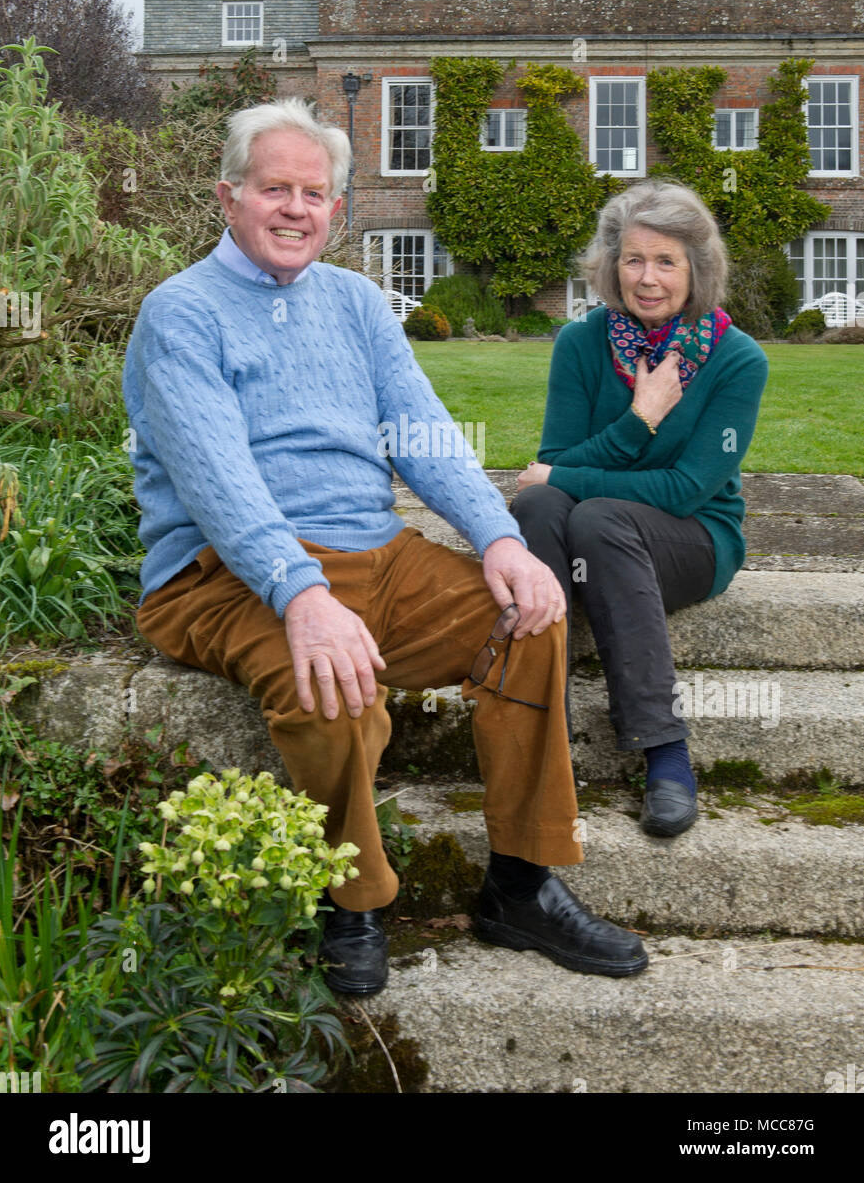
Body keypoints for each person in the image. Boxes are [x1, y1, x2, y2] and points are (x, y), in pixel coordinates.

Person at [123, 98, 648, 997]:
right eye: (274, 189)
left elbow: (421, 429)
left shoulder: (357, 303)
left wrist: (497, 537)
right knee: (325, 686)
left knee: (526, 620)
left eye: (315, 193)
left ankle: (519, 884)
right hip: (221, 573)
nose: (295, 209)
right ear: (228, 197)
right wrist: (301, 593)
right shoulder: (181, 315)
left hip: (375, 553)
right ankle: (353, 903)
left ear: (336, 211)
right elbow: (218, 481)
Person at [511, 180, 768, 838]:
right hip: (591, 536)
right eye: (632, 259)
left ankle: (664, 752)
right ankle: (540, 727)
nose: (646, 278)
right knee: (539, 507)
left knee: (593, 514)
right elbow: (551, 474)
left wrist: (591, 462)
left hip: (694, 537)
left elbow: (686, 489)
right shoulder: (579, 344)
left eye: (665, 261)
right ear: (610, 265)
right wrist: (639, 418)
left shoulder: (737, 360)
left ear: (696, 270)